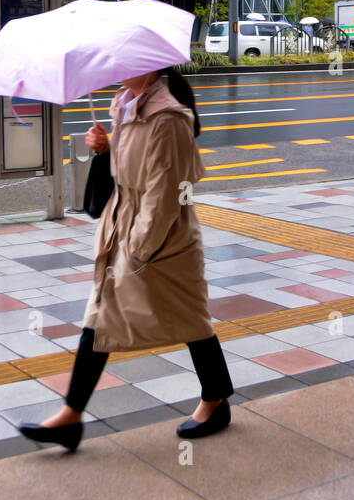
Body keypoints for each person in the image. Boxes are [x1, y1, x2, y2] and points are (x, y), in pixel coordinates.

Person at [19, 66, 234, 452]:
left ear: (147, 65)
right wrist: (105, 148)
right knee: (100, 315)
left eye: (122, 61)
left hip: (163, 236)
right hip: (126, 227)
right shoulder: (124, 104)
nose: (113, 67)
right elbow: (128, 171)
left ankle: (215, 399)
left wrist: (139, 247)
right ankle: (71, 415)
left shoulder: (167, 118)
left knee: (190, 318)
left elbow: (168, 190)